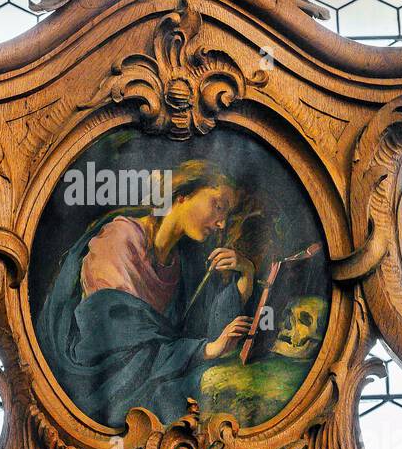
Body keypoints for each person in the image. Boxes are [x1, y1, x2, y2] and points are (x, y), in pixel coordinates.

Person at [36, 160, 256, 426]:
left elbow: (213, 327)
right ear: (183, 195)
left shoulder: (181, 265)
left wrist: (246, 271)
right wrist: (204, 350)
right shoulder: (120, 238)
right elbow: (117, 342)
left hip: (146, 378)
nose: (221, 224)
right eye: (218, 206)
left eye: (226, 215)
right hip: (97, 383)